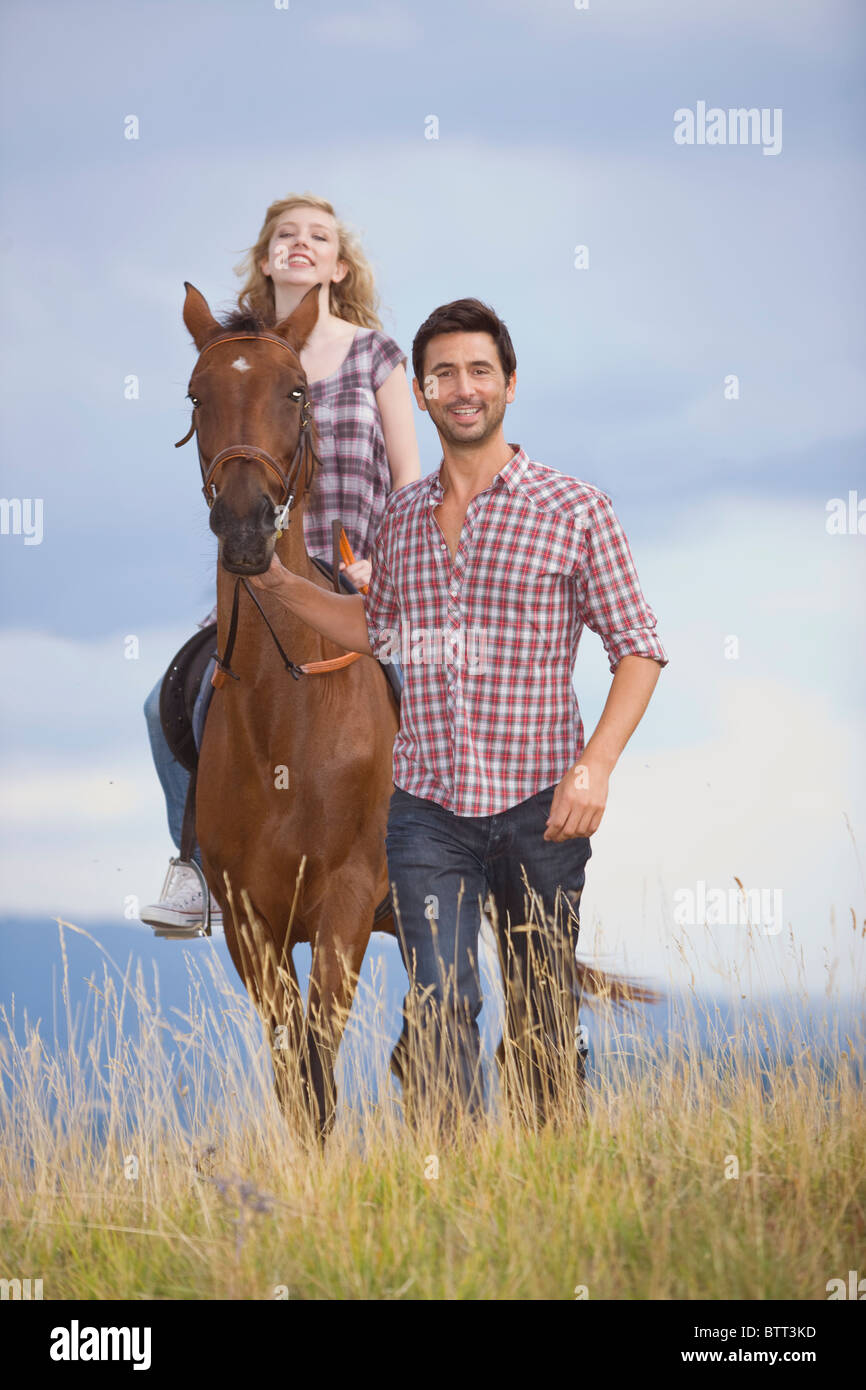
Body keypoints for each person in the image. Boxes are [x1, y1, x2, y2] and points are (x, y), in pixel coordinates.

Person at [249, 297, 669, 1134]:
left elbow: (640, 647)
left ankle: (551, 1182)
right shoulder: (400, 517)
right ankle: (454, 1195)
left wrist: (597, 766)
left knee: (542, 1015)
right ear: (427, 393)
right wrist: (283, 586)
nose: (462, 387)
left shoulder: (576, 509)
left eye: (479, 370)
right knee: (440, 1001)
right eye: (443, 373)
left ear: (509, 385)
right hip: (426, 812)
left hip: (540, 807)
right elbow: (380, 629)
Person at [141, 194, 421, 932]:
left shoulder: (375, 355)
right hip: (256, 584)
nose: (301, 244)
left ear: (338, 262)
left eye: (319, 236)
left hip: (360, 577)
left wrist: (387, 566)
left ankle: (449, 858)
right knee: (162, 703)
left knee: (441, 691)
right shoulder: (237, 356)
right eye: (286, 235)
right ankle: (196, 867)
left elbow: (412, 480)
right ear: (267, 257)